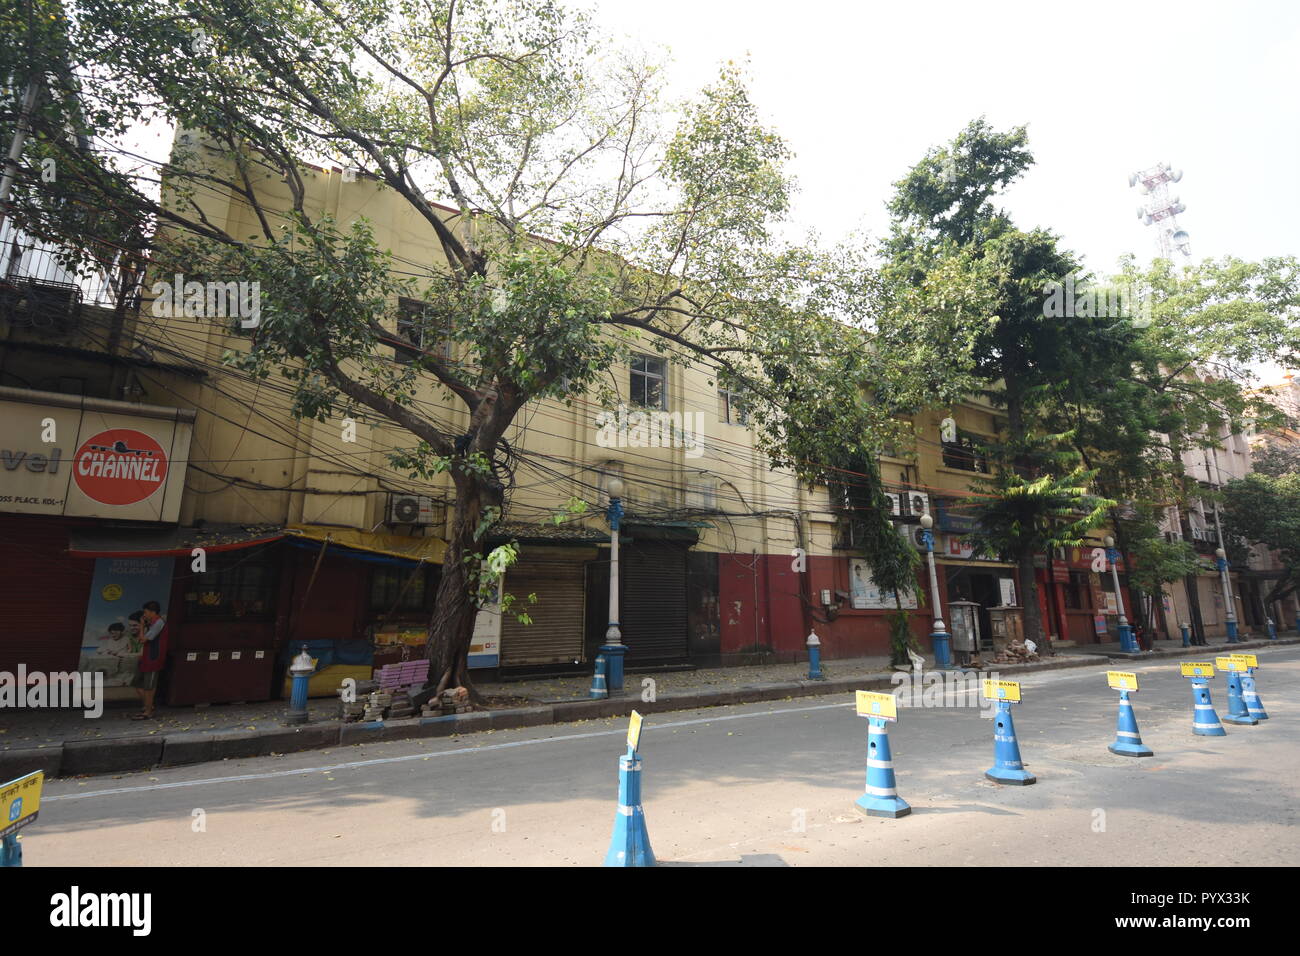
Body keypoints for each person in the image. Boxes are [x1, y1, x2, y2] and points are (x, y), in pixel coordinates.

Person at [132, 600, 168, 719]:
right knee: (137, 683)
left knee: (149, 687)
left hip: (154, 658)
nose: (145, 614)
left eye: (146, 612)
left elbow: (142, 640)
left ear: (153, 612)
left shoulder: (158, 623)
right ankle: (148, 706)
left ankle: (148, 711)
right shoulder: (152, 623)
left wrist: (142, 625)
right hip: (145, 657)